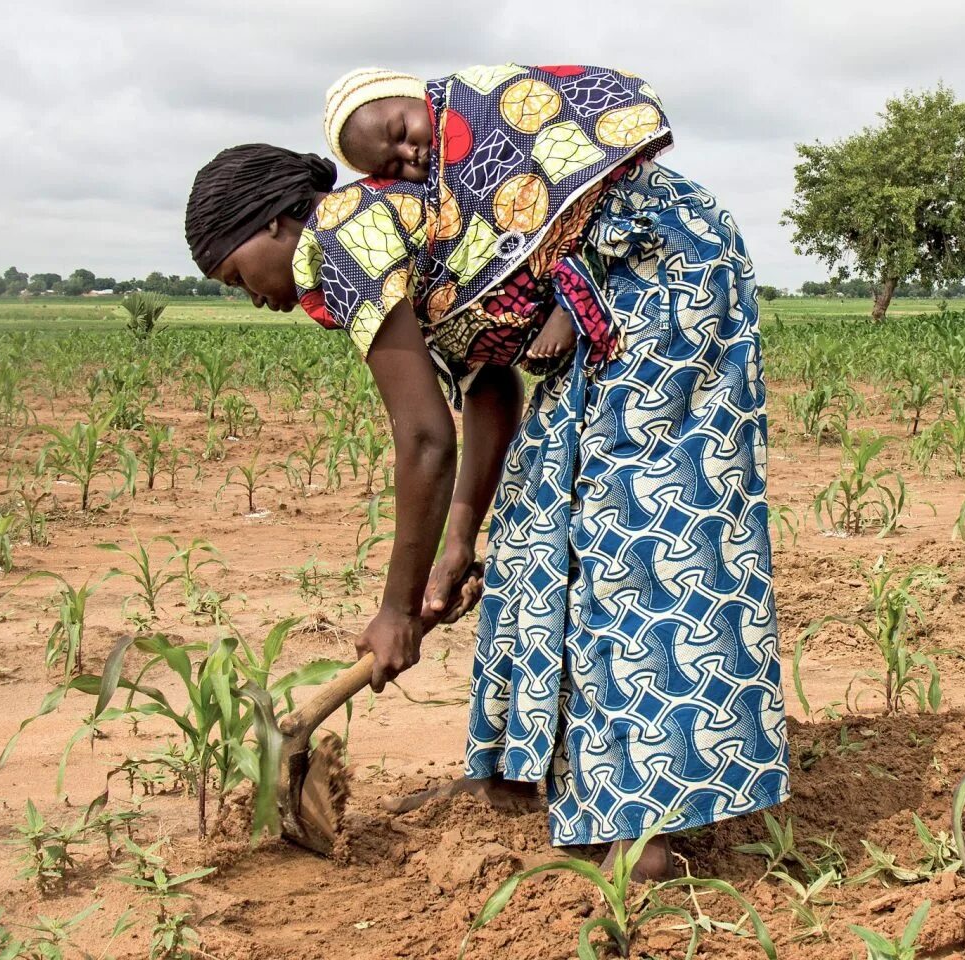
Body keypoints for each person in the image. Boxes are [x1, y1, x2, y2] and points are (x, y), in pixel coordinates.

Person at [184, 63, 788, 879]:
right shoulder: (379, 229)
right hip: (607, 297)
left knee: (634, 532)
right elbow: (489, 380)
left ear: (277, 223)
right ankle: (571, 783)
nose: (245, 296)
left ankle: (645, 829)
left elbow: (426, 439)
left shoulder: (338, 238)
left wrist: (396, 610)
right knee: (539, 523)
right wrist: (459, 540)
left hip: (659, 267)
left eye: (232, 276)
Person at [323, 67, 575, 361]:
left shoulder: (479, 107)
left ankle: (575, 298)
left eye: (401, 133)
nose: (409, 154)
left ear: (418, 97)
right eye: (394, 167)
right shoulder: (446, 198)